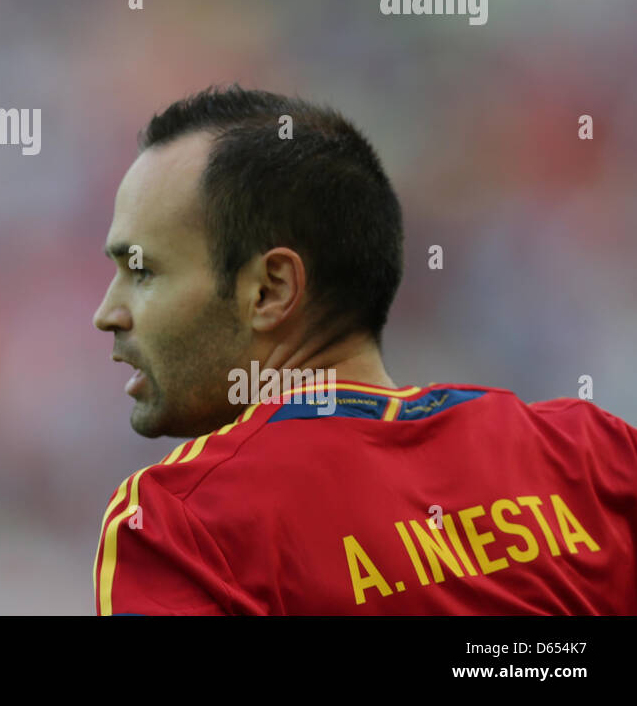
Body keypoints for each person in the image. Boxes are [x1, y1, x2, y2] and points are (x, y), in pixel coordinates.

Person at [92, 85, 637, 615]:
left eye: (142, 271)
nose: (107, 313)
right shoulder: (591, 456)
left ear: (270, 289)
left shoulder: (182, 525)